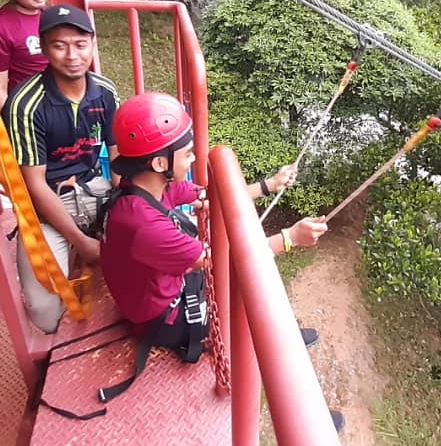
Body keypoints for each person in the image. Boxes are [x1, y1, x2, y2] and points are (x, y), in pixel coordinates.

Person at [101, 92, 329, 364]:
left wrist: (269, 185)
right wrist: (290, 238)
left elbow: (210, 199)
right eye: (187, 154)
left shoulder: (147, 188)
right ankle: (281, 352)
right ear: (160, 163)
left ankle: (283, 335)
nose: (193, 160)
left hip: (156, 292)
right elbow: (224, 260)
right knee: (247, 306)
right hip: (164, 319)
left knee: (244, 289)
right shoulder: (145, 226)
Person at [3, 3, 118, 333]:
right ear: (43, 47)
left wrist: (127, 206)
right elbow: (35, 185)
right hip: (48, 205)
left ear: (93, 45)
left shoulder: (105, 92)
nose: (72, 56)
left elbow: (119, 156)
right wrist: (82, 243)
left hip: (95, 190)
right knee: (43, 309)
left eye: (81, 45)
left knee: (145, 246)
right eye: (59, 45)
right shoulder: (26, 104)